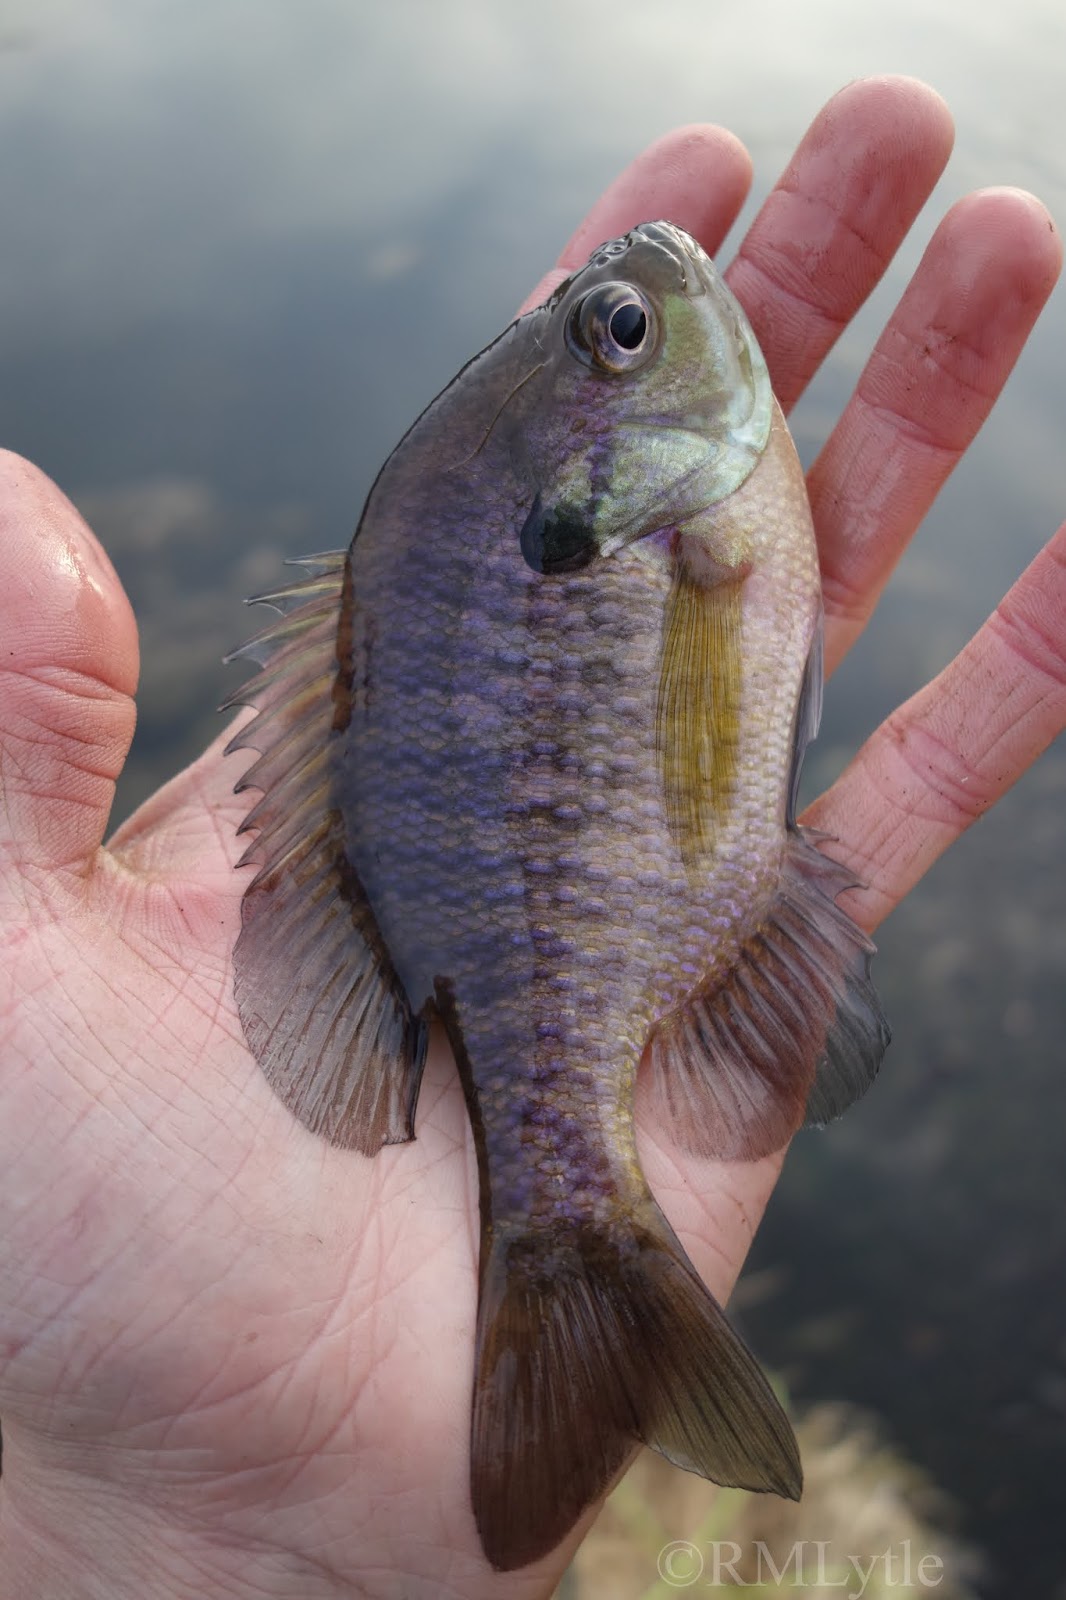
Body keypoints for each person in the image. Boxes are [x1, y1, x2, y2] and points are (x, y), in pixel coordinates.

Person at [0, 74, 1062, 1600]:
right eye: (617, 334)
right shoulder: (676, 523)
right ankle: (576, 1267)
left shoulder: (652, 521)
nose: (639, 304)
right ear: (585, 467)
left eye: (611, 326)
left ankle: (578, 1313)